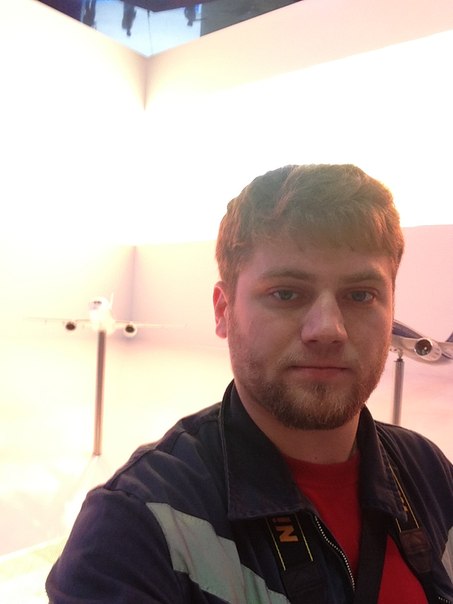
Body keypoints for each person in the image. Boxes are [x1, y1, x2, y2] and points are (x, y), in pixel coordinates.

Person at [46, 164, 453, 603]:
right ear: (223, 311)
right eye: (286, 293)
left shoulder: (427, 471)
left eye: (360, 295)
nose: (328, 329)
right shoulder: (137, 525)